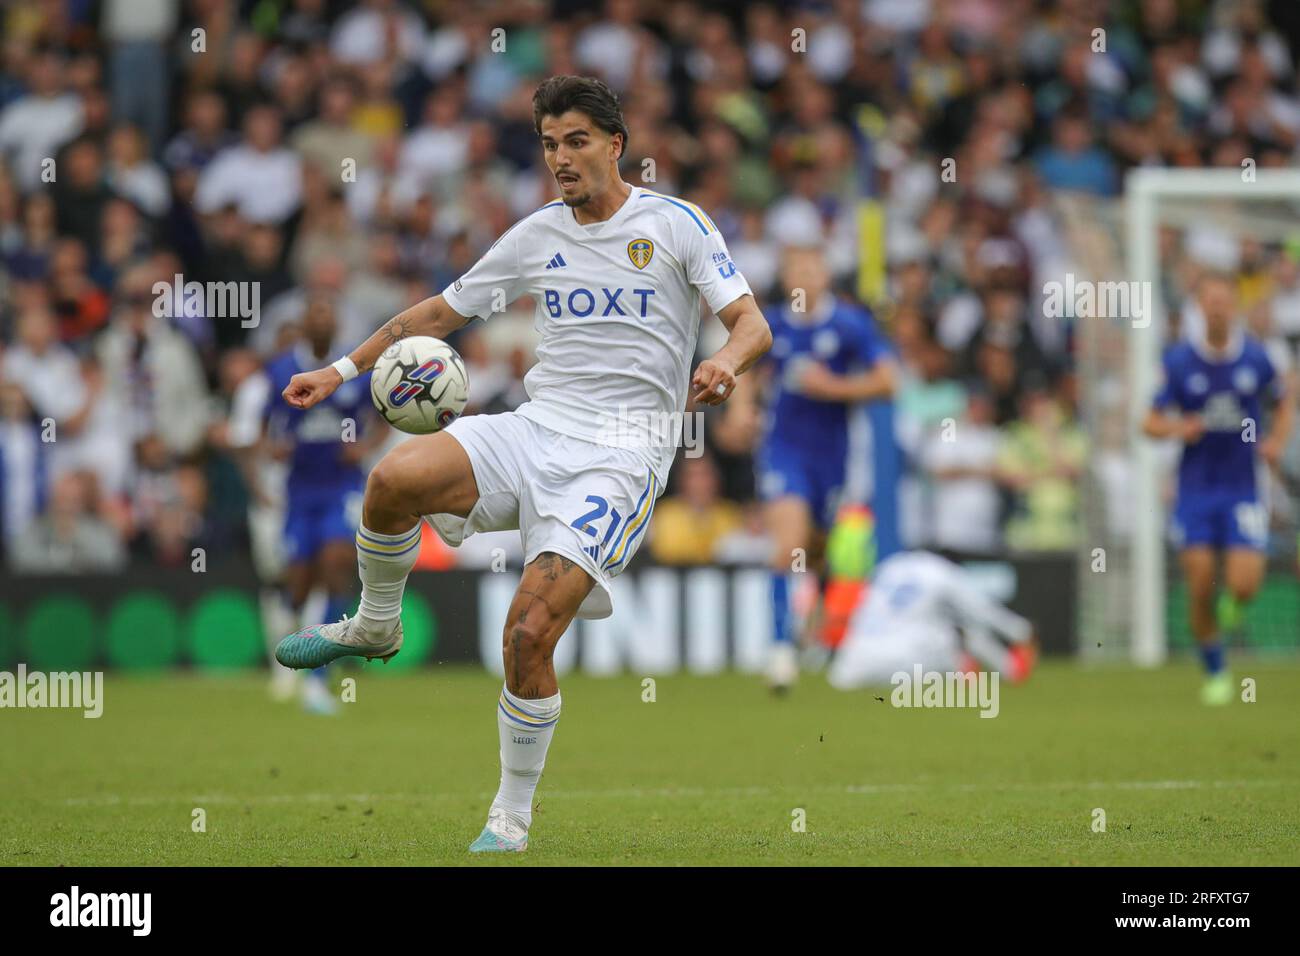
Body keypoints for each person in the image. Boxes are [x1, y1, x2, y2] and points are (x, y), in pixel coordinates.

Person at [272, 76, 771, 852]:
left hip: (621, 456)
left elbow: (750, 324)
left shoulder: (675, 225)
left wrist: (726, 366)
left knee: (528, 632)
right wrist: (339, 371)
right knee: (392, 480)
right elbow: (438, 313)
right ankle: (375, 626)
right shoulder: (537, 233)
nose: (561, 159)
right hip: (537, 428)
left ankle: (510, 814)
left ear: (616, 144)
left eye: (576, 141)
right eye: (548, 145)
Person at [1142, 272, 1294, 705]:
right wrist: (1178, 426)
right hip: (1195, 491)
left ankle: (1233, 605)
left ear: (1235, 306)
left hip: (1243, 487)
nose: (1218, 308)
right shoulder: (1178, 363)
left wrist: (1277, 443)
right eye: (1210, 301)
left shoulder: (1256, 359)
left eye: (1225, 301)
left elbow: (1285, 400)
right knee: (1200, 583)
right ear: (1198, 306)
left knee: (1246, 584)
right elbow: (1148, 422)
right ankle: (1215, 672)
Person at [754, 245, 896, 691]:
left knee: (816, 551)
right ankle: (780, 652)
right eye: (796, 269)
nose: (804, 277)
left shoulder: (850, 325)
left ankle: (811, 632)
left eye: (812, 268)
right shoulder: (771, 325)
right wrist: (740, 410)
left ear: (825, 276)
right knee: (787, 544)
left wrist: (831, 387)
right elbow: (741, 368)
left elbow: (889, 381)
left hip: (833, 458)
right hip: (784, 451)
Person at [263, 297, 385, 714]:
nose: (323, 321)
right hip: (299, 491)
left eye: (328, 313)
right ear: (303, 325)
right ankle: (285, 657)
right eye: (317, 313)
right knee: (297, 582)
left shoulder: (349, 371)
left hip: (341, 487)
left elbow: (384, 413)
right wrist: (272, 448)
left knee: (335, 563)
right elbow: (260, 424)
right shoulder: (281, 370)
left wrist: (366, 446)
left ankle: (317, 678)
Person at [829, 550, 1036, 690]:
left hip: (850, 667)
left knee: (934, 627)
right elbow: (982, 610)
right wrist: (1020, 631)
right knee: (965, 632)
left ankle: (968, 670)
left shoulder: (890, 566)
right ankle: (1009, 669)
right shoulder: (941, 571)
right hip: (904, 663)